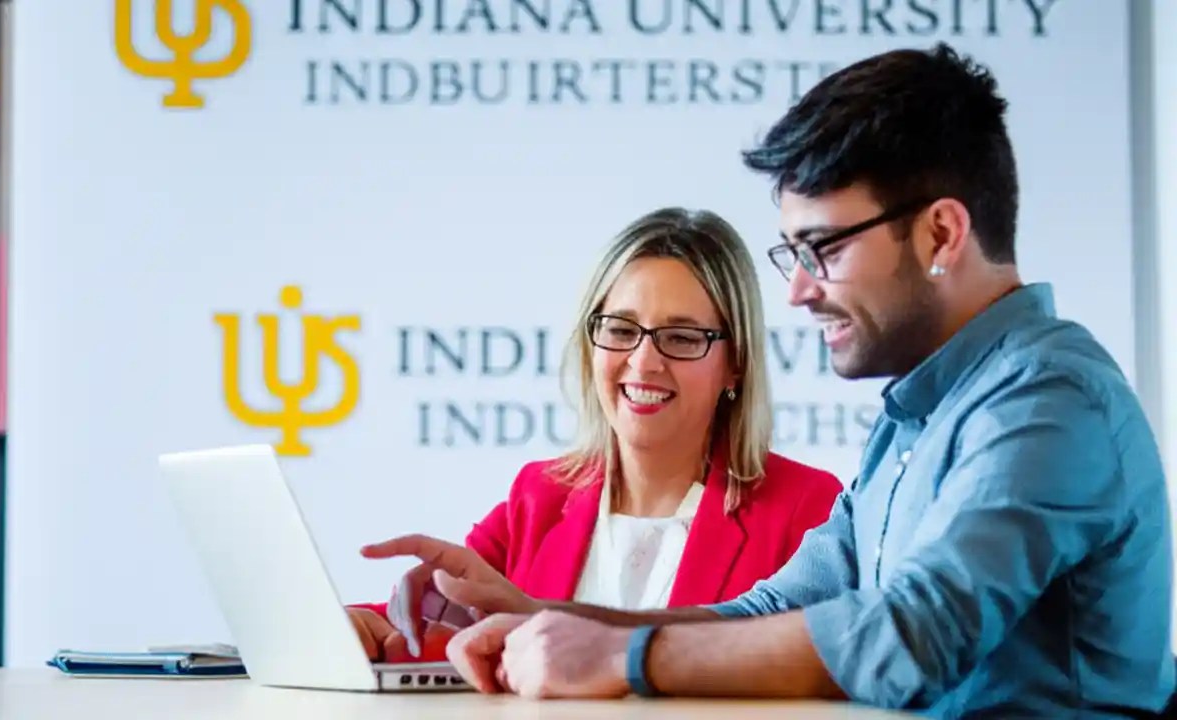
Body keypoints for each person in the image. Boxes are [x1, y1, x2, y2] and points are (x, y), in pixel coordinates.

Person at [371, 43, 1177, 718]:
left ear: (940, 232)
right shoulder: (922, 416)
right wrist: (542, 616)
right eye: (794, 254)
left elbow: (912, 638)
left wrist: (620, 654)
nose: (797, 289)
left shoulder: (1049, 401)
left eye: (823, 249)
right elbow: (763, 613)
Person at [348, 207, 842, 663]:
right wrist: (363, 629)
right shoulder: (539, 495)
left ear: (736, 364)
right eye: (621, 329)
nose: (644, 361)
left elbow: (815, 672)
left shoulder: (807, 508)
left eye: (682, 337)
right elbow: (440, 626)